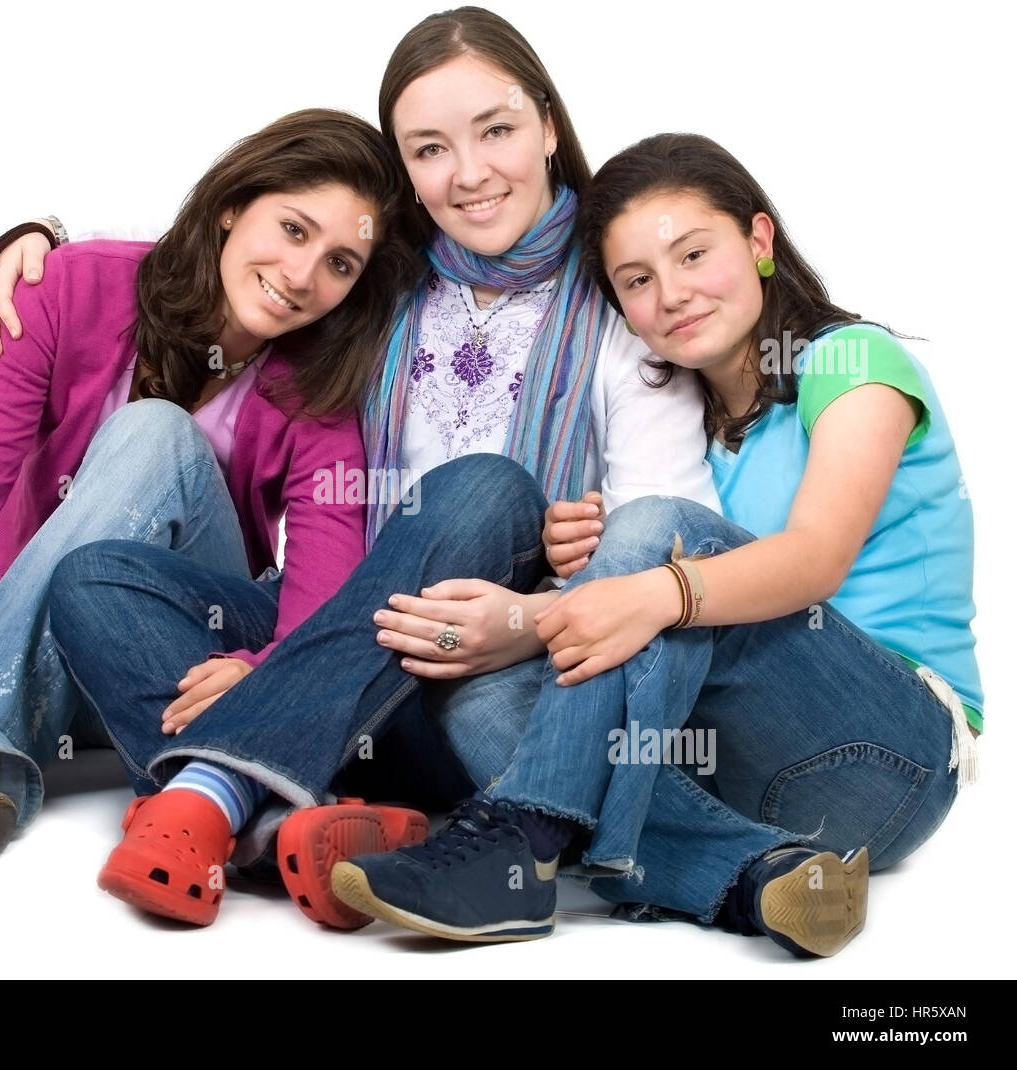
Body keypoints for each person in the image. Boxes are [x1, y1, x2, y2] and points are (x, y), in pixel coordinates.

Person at [0, 8, 719, 928]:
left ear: (548, 125)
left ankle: (212, 794)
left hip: (488, 668)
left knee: (484, 490)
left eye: (496, 131)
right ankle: (305, 819)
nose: (471, 172)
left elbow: (674, 544)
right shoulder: (378, 279)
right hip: (336, 626)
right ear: (402, 171)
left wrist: (533, 617)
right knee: (96, 581)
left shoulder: (620, 290)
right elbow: (232, 234)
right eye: (430, 149)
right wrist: (36, 237)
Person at [332, 132, 981, 957]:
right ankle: (760, 875)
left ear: (759, 242)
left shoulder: (851, 362)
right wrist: (563, 596)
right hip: (754, 784)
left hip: (892, 759)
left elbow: (814, 560)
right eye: (637, 281)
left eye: (693, 254)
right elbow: (642, 619)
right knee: (484, 701)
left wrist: (641, 576)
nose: (671, 294)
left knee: (653, 535)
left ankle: (519, 842)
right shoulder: (690, 434)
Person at [0, 109, 417, 877]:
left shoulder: (320, 382)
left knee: (155, 434)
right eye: (293, 230)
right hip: (34, 632)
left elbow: (329, 559)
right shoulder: (72, 285)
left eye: (340, 264)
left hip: (160, 649)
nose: (302, 276)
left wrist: (270, 662)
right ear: (233, 205)